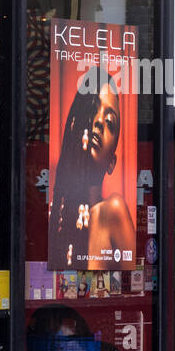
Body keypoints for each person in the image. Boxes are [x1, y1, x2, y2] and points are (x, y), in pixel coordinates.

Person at [49, 66, 134, 270]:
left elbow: (135, 287)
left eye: (110, 122)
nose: (99, 122)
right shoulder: (56, 216)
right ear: (73, 125)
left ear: (112, 162)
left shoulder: (112, 211)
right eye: (93, 109)